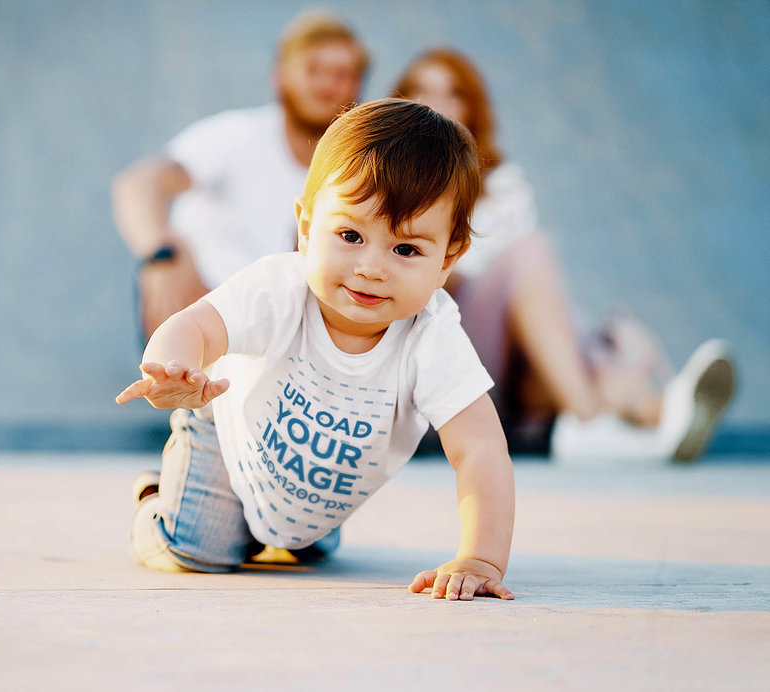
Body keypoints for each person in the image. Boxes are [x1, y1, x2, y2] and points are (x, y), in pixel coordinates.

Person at [116, 99, 515, 601]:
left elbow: (480, 448)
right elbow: (197, 324)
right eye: (350, 235)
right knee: (203, 549)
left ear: (446, 261)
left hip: (316, 494)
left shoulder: (432, 336)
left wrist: (480, 557)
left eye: (406, 249)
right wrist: (174, 366)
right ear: (306, 228)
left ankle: (286, 529)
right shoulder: (278, 289)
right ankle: (156, 501)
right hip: (229, 432)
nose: (371, 267)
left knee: (304, 548)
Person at [391, 48, 736, 464]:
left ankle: (646, 417)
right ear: (401, 101)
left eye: (451, 93)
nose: (436, 104)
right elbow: (432, 281)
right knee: (531, 252)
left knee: (535, 271)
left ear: (472, 106)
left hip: (509, 374)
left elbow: (526, 299)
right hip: (437, 354)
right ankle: (639, 415)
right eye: (422, 91)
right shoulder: (388, 180)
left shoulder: (501, 186)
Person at [112, 10, 368, 339]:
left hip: (284, 338)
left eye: (342, 73)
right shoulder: (237, 135)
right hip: (198, 311)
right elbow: (138, 184)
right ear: (279, 75)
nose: (327, 84)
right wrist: (161, 253)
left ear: (359, 85)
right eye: (313, 69)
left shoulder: (360, 167)